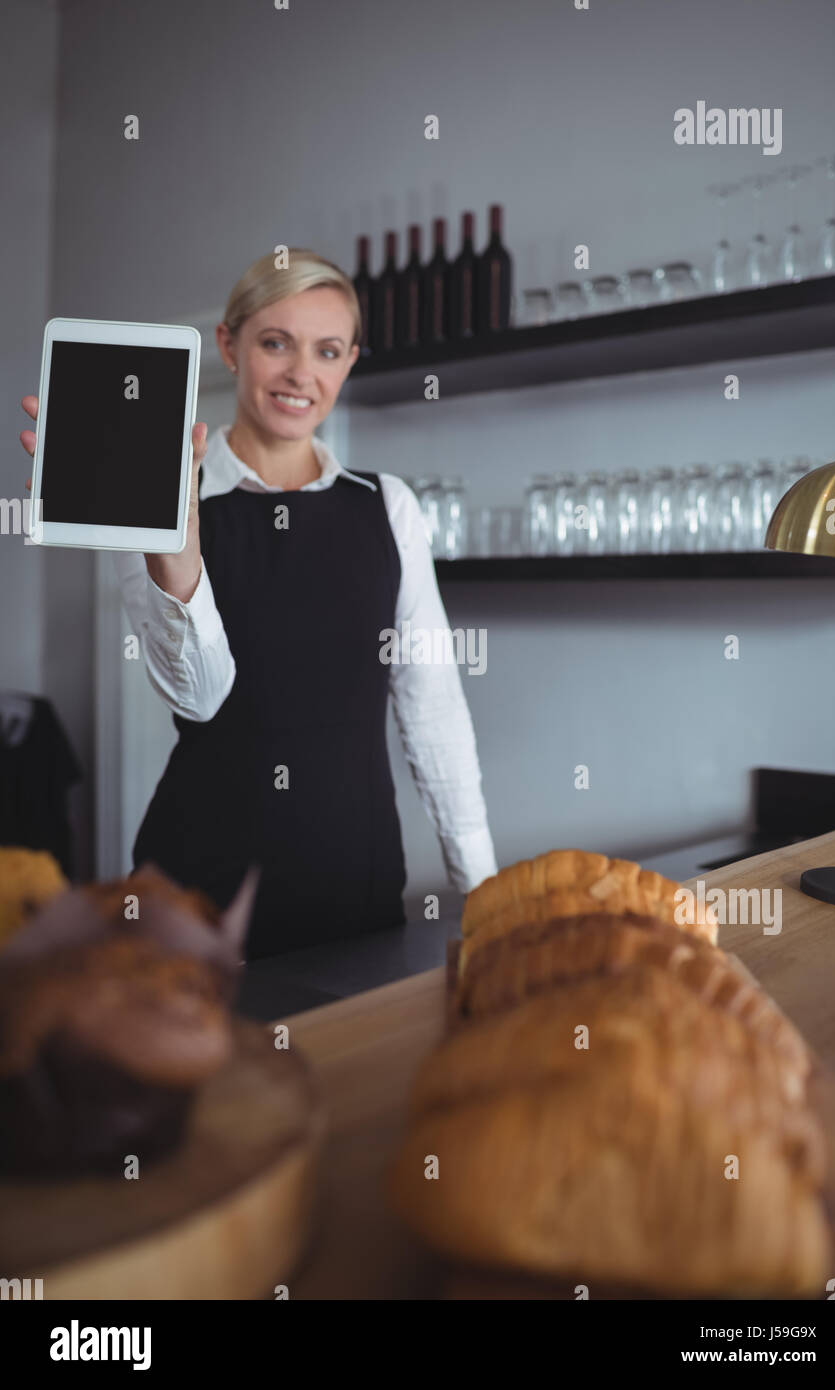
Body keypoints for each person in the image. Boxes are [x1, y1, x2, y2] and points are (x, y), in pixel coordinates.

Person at [20, 249, 497, 960]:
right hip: (197, 897)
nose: (302, 373)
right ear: (229, 346)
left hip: (357, 882)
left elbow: (432, 708)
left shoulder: (387, 507)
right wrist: (178, 551)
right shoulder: (157, 501)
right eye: (276, 343)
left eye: (327, 351)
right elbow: (200, 697)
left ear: (349, 361)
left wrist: (484, 893)